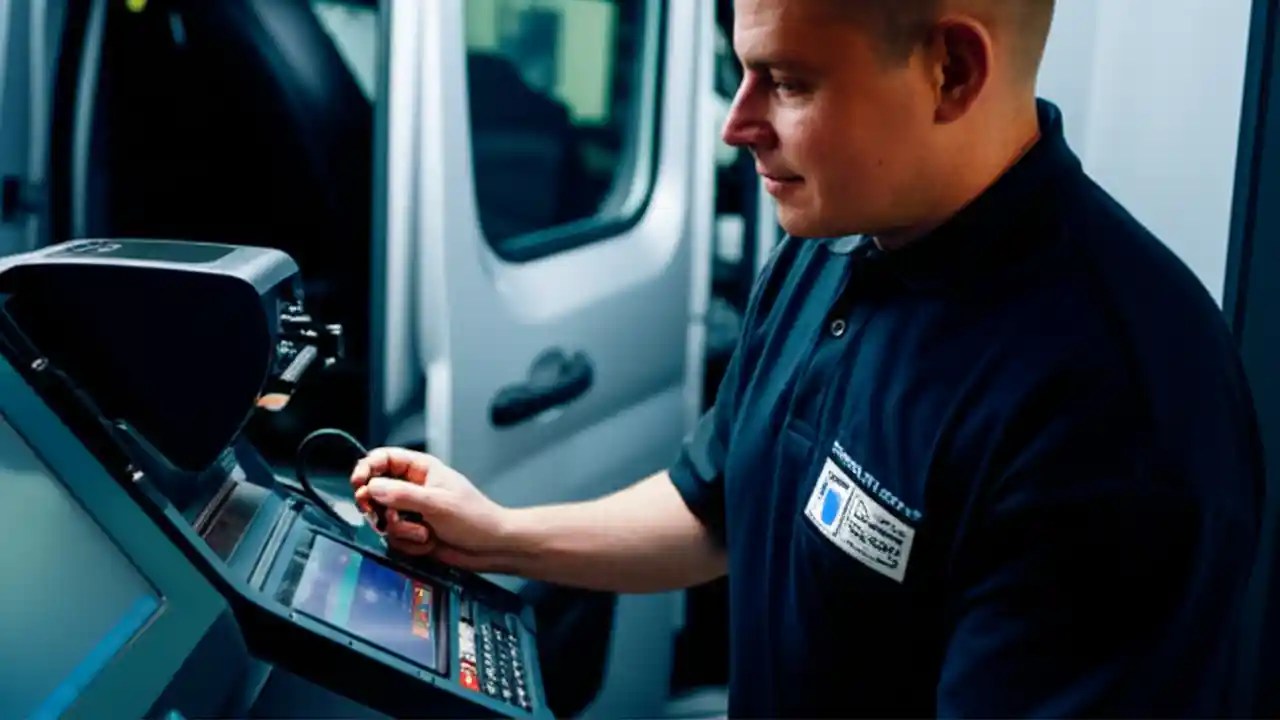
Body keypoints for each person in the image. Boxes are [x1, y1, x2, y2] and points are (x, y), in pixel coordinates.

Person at [351, 0, 1266, 716]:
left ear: (951, 71)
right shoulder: (835, 240)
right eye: (742, 73)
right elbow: (717, 510)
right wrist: (498, 535)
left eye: (785, 82)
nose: (737, 124)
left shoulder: (1116, 416)